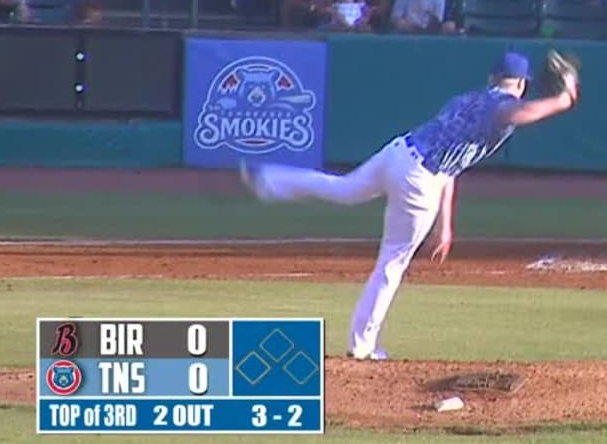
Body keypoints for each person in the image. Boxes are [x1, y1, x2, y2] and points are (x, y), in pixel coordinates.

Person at [241, 51, 580, 360]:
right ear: (521, 84)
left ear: (492, 77)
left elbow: (451, 166)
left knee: (342, 188)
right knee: (392, 262)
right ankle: (362, 346)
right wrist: (563, 100)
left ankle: (269, 179)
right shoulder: (503, 106)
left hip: (397, 153)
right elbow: (521, 112)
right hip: (419, 179)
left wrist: (445, 222)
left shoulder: (465, 99)